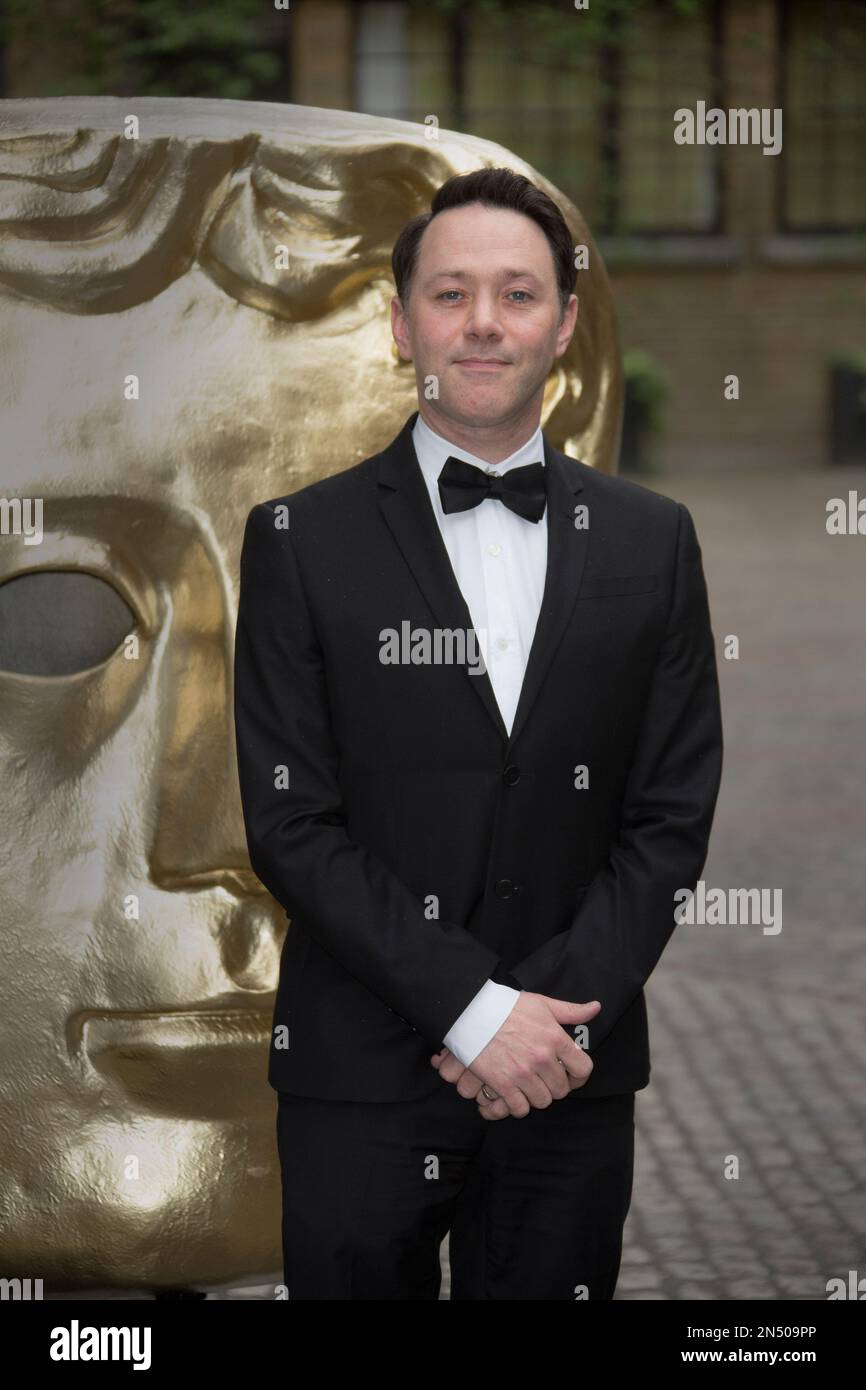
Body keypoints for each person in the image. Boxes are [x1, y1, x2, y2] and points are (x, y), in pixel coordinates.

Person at [233, 166, 723, 1300]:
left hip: (567, 1067)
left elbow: (668, 815)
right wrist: (472, 1006)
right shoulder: (299, 540)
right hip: (358, 1076)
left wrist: (540, 1026)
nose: (483, 323)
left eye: (516, 293)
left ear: (562, 324)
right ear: (401, 325)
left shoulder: (653, 540)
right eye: (451, 295)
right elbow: (289, 820)